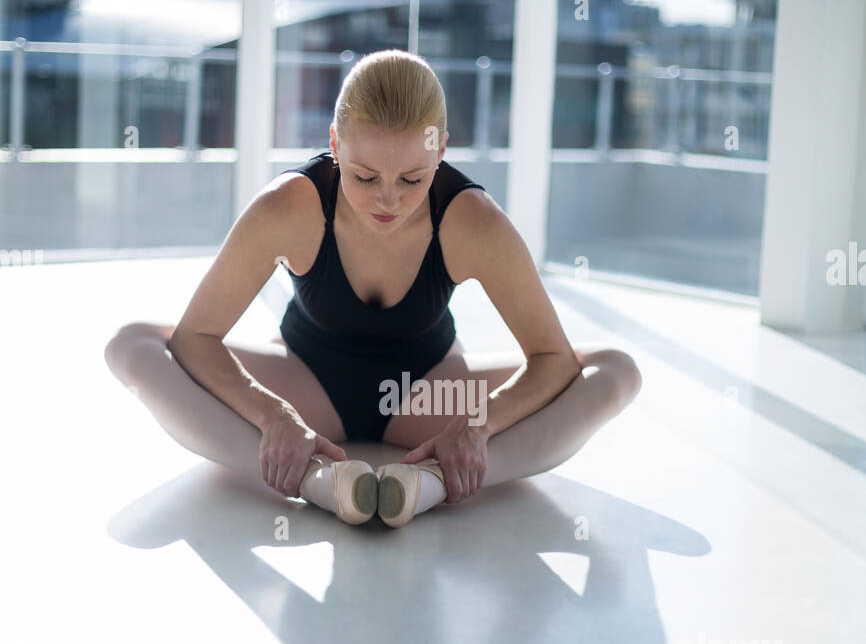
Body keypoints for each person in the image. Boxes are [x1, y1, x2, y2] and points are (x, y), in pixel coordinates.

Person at [104, 49, 642, 527]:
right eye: (364, 177)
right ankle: (315, 480)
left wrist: (475, 428)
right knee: (132, 344)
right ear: (334, 144)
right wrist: (274, 415)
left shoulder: (471, 220)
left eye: (413, 179)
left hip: (428, 396)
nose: (388, 200)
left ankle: (432, 484)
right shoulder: (289, 207)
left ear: (441, 150)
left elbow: (553, 358)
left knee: (616, 370)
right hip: (305, 387)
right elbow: (196, 337)